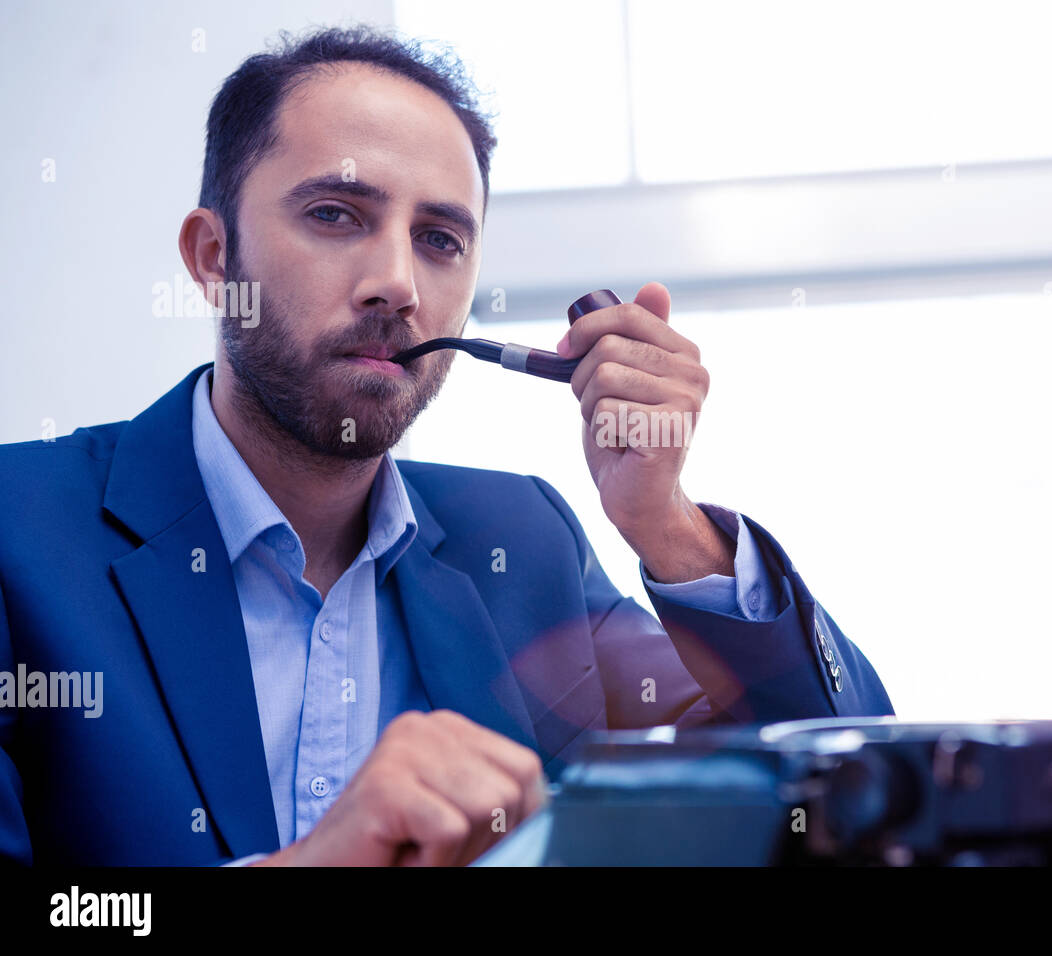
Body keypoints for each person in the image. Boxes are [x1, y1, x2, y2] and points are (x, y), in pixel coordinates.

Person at [0, 26, 892, 867]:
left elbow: (833, 803)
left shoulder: (522, 542)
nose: (397, 282)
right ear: (211, 257)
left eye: (440, 239)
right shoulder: (20, 534)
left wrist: (664, 523)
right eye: (336, 214)